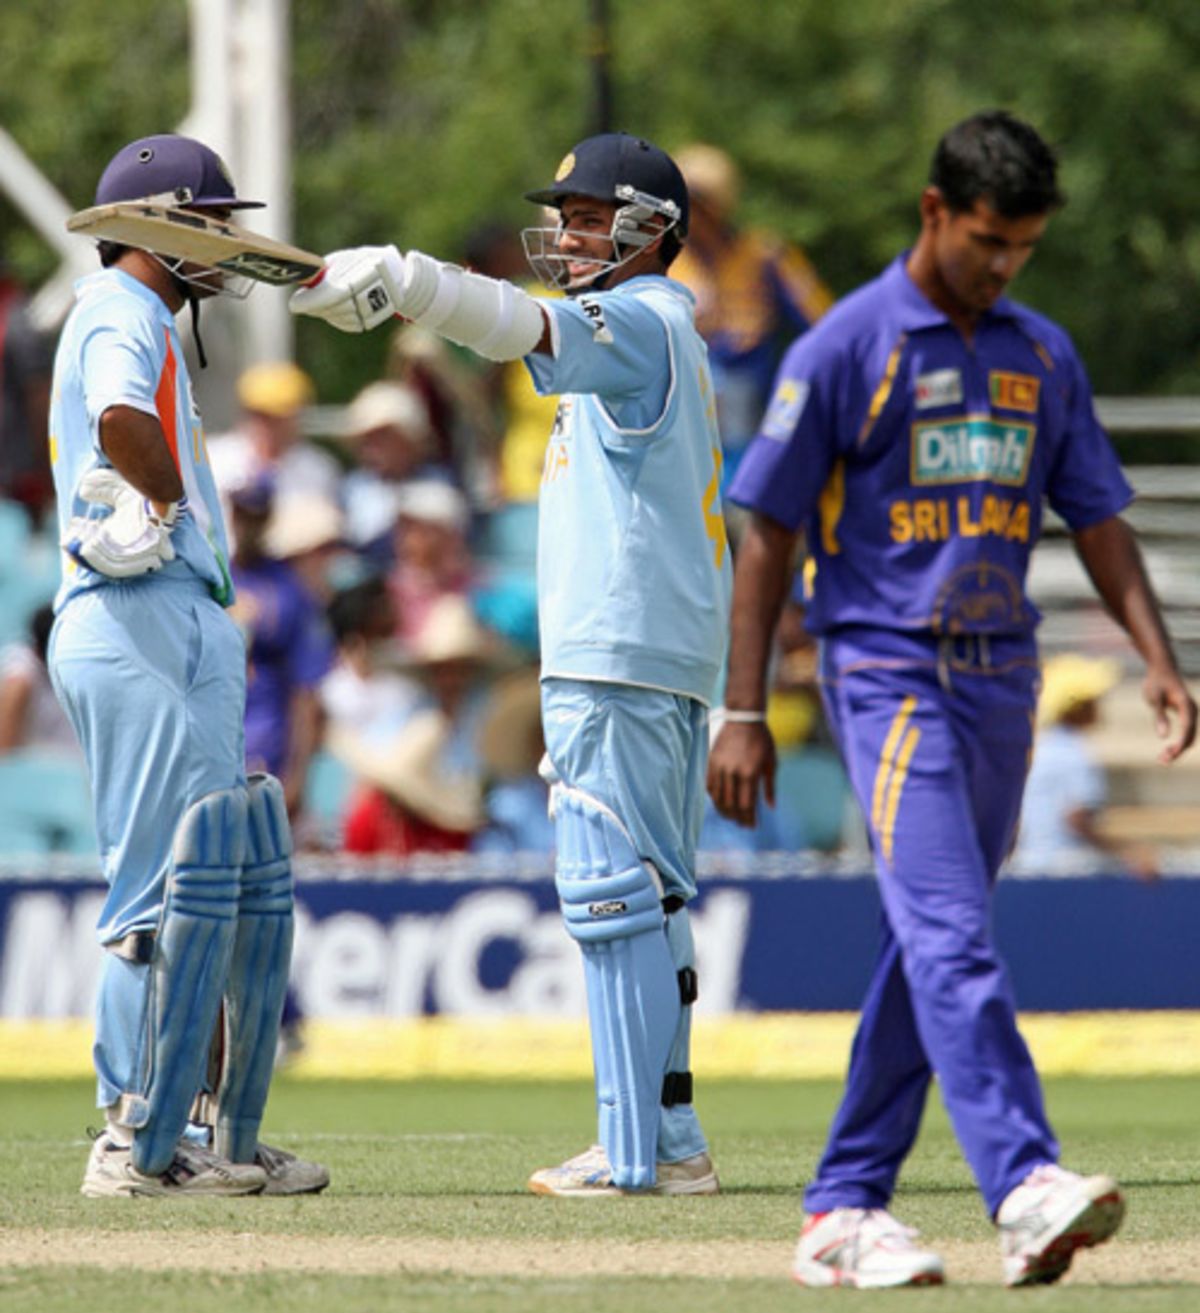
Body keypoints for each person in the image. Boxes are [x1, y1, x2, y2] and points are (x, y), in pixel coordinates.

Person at [706, 109, 1197, 1287]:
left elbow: (1097, 518)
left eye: (1023, 247)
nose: (1004, 265)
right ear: (935, 211)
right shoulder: (844, 345)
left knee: (922, 947)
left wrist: (1159, 656)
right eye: (989, 240)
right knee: (951, 935)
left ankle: (841, 1208)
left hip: (1003, 679)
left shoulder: (1041, 352)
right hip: (886, 670)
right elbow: (765, 530)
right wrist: (742, 708)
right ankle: (1024, 1180)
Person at [291, 130, 732, 1196]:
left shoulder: (635, 319)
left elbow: (515, 322)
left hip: (619, 652)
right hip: (661, 651)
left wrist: (407, 279)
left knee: (608, 891)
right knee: (656, 897)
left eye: (591, 218)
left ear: (650, 231)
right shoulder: (652, 334)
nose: (571, 235)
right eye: (566, 216)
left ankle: (632, 1156)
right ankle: (670, 1139)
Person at [47, 133, 327, 1197]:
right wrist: (160, 498)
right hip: (134, 615)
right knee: (163, 888)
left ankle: (200, 1134)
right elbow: (120, 418)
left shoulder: (148, 314)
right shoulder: (123, 307)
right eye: (210, 220)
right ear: (163, 226)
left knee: (212, 884)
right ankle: (130, 1135)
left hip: (171, 615)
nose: (225, 240)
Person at [670, 143, 833, 484]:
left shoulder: (764, 255)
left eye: (698, 202)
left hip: (749, 393)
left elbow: (821, 323)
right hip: (683, 402)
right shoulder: (667, 261)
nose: (691, 215)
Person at [1010, 653, 1159, 878]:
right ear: (1077, 707)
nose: (1100, 706)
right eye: (1093, 700)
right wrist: (1128, 851)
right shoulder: (1074, 753)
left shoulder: (1040, 748)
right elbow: (1077, 821)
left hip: (1030, 866)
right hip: (1065, 870)